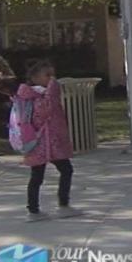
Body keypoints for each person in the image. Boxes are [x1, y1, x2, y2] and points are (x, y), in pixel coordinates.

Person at [16, 59, 80, 222]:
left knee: (66, 170)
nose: (52, 79)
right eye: (48, 75)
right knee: (38, 176)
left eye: (53, 75)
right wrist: (52, 90)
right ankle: (34, 209)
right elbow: (44, 112)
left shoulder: (43, 94)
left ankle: (63, 204)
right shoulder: (33, 97)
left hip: (53, 143)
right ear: (35, 78)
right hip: (39, 144)